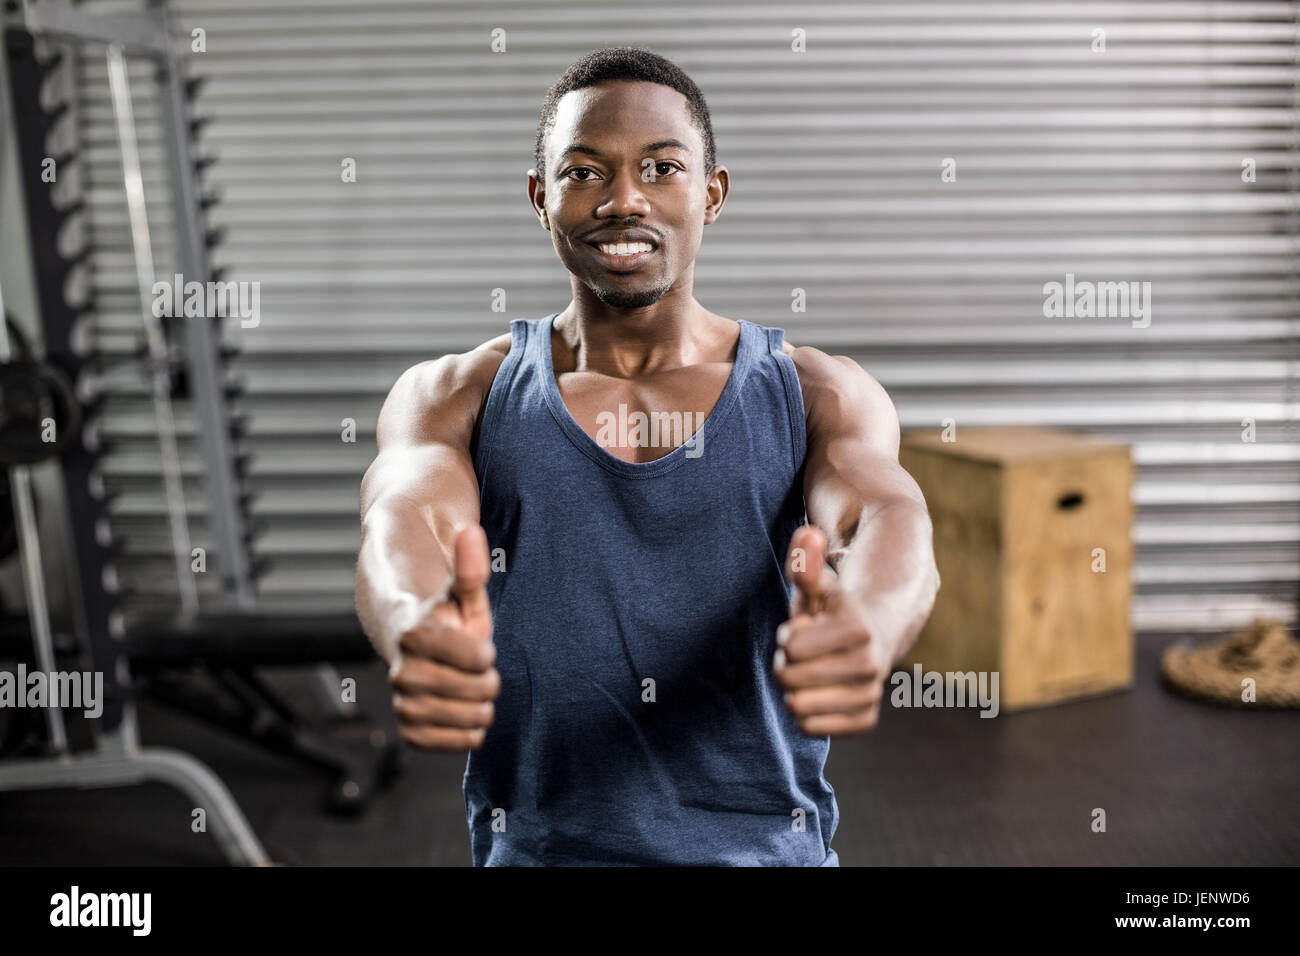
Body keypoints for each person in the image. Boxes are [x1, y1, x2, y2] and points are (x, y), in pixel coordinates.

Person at [355, 46, 940, 866]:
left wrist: (871, 623)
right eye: (586, 173)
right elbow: (403, 515)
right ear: (540, 197)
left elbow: (886, 511)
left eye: (661, 169)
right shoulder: (458, 393)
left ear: (712, 193)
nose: (624, 200)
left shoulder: (814, 391)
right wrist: (414, 618)